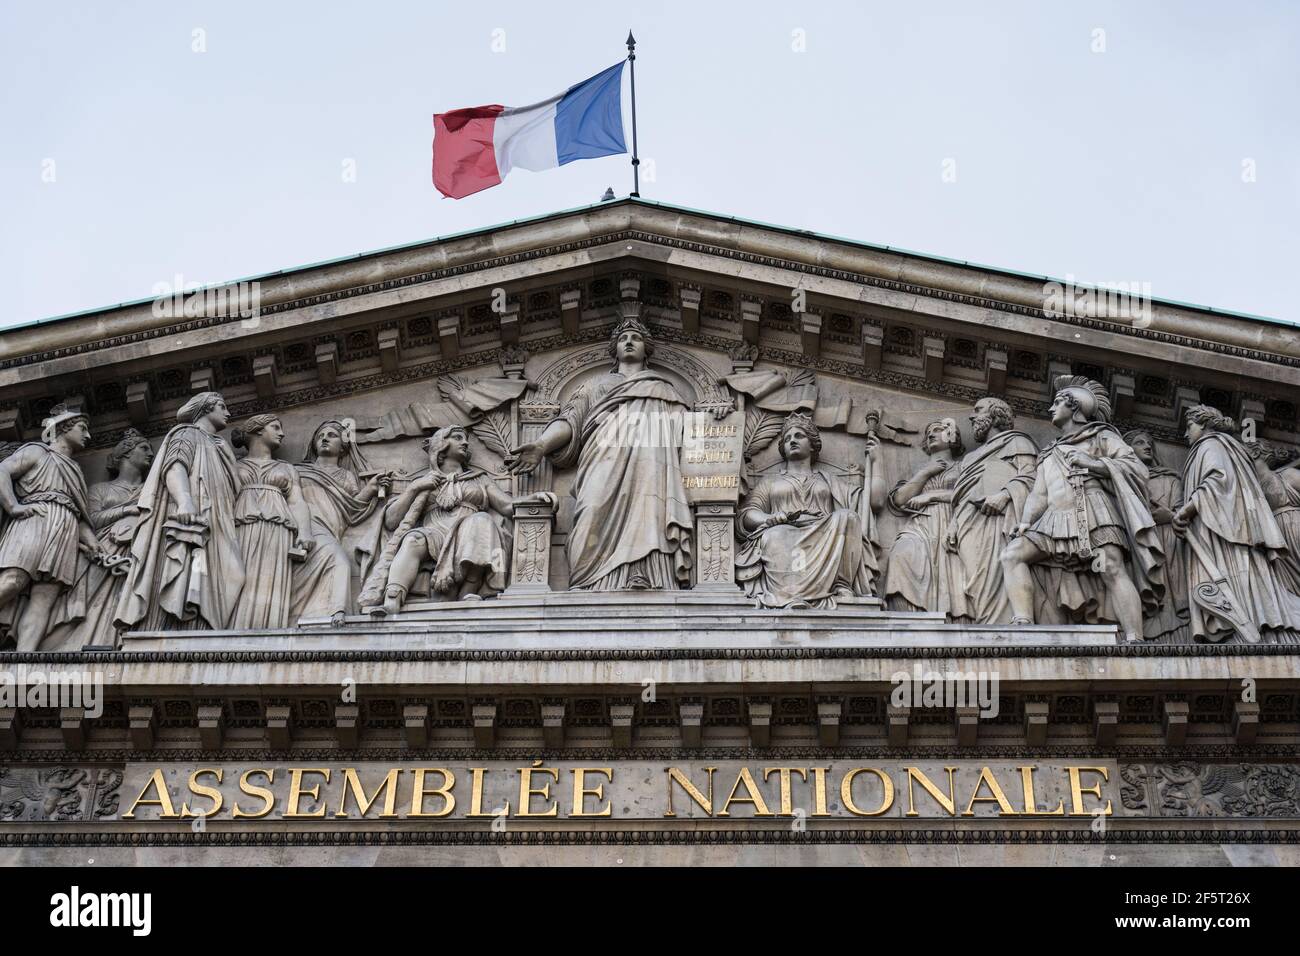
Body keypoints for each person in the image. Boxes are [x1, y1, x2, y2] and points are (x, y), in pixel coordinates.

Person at [507, 318, 713, 590]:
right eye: (623, 338)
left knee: (650, 513)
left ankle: (647, 576)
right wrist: (542, 445)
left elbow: (690, 433)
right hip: (601, 457)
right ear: (614, 348)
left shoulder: (663, 388)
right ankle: (589, 582)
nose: (629, 341)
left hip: (651, 463)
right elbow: (571, 421)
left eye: (636, 338)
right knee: (592, 507)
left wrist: (715, 419)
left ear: (646, 349)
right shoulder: (595, 385)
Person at [1000, 376, 1163, 642]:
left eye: (1057, 403)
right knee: (1012, 555)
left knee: (1110, 567)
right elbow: (1039, 493)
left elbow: (1136, 468)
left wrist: (1095, 463)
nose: (1051, 409)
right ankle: (1023, 625)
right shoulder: (1049, 451)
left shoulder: (1101, 436)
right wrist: (1026, 521)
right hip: (1053, 518)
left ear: (1074, 408)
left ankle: (1135, 639)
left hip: (1094, 509)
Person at [116, 391, 245, 631]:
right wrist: (185, 501)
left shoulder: (218, 445)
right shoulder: (187, 433)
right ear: (206, 409)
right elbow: (174, 466)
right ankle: (179, 627)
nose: (228, 412)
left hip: (218, 519)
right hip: (194, 517)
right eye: (222, 406)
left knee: (227, 575)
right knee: (192, 570)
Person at [1173, 405, 1300, 643]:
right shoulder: (1220, 446)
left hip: (1224, 533)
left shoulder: (1210, 444)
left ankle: (1250, 623)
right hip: (1222, 528)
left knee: (1237, 578)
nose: (1185, 434)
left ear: (1204, 424)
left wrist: (1187, 510)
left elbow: (1218, 480)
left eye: (1189, 426)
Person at [361, 426, 520, 613]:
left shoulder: (479, 479)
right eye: (458, 437)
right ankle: (393, 600)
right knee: (413, 539)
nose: (465, 442)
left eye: (465, 439)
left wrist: (532, 499)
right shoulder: (423, 481)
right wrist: (415, 488)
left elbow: (506, 505)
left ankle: (468, 591)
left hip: (468, 532)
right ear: (441, 444)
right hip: (434, 532)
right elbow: (391, 521)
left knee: (482, 521)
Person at [735, 412, 885, 608]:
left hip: (824, 532)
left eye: (799, 436)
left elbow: (876, 501)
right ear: (783, 448)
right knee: (774, 535)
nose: (792, 441)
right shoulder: (771, 481)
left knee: (848, 517)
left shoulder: (828, 480)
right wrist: (770, 517)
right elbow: (748, 514)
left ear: (812, 444)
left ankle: (841, 584)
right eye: (787, 438)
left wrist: (877, 460)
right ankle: (787, 592)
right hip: (783, 530)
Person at [0, 405, 104, 651]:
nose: (87, 436)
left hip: (65, 529)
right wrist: (12, 505)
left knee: (44, 599)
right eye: (82, 428)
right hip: (34, 519)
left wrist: (92, 541)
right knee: (13, 580)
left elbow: (77, 512)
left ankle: (24, 659)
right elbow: (2, 470)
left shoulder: (76, 470)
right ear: (63, 428)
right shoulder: (38, 452)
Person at [45, 429, 153, 649]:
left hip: (138, 553)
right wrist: (126, 510)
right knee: (87, 599)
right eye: (144, 448)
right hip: (103, 553)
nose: (150, 453)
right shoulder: (101, 489)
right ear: (125, 453)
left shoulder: (150, 490)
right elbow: (90, 520)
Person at [231, 415, 342, 628]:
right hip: (241, 528)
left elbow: (297, 502)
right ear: (258, 431)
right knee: (239, 580)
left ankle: (268, 630)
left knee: (268, 584)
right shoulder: (234, 466)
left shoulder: (287, 468)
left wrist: (305, 532)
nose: (282, 433)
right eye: (275, 427)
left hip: (278, 530)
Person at [946, 397, 1039, 623]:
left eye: (978, 410)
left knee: (999, 569)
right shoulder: (969, 458)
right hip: (968, 521)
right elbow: (960, 496)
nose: (972, 416)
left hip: (1001, 517)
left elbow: (1033, 477)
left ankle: (1004, 628)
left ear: (996, 414)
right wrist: (953, 522)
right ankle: (988, 627)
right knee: (976, 579)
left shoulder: (1018, 442)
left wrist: (1005, 495)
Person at [296, 419, 391, 616]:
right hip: (303, 526)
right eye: (320, 436)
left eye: (331, 435)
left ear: (343, 447)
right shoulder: (299, 471)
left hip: (330, 528)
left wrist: (371, 489)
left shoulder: (346, 476)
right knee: (339, 561)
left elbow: (352, 507)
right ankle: (337, 611)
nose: (324, 439)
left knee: (335, 560)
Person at [884, 418, 966, 616]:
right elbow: (900, 499)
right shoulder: (919, 470)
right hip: (921, 524)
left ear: (952, 436)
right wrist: (924, 473)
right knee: (901, 554)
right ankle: (908, 618)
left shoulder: (964, 467)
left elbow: (971, 495)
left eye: (938, 430)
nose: (931, 434)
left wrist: (931, 495)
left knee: (951, 574)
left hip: (952, 522)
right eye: (929, 431)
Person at [1124, 429, 1190, 642]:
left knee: (1177, 589)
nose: (1147, 446)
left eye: (1149, 442)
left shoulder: (1170, 478)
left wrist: (1169, 515)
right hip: (1141, 542)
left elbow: (1183, 513)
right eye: (1139, 442)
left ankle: (1185, 637)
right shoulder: (1126, 481)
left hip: (1171, 540)